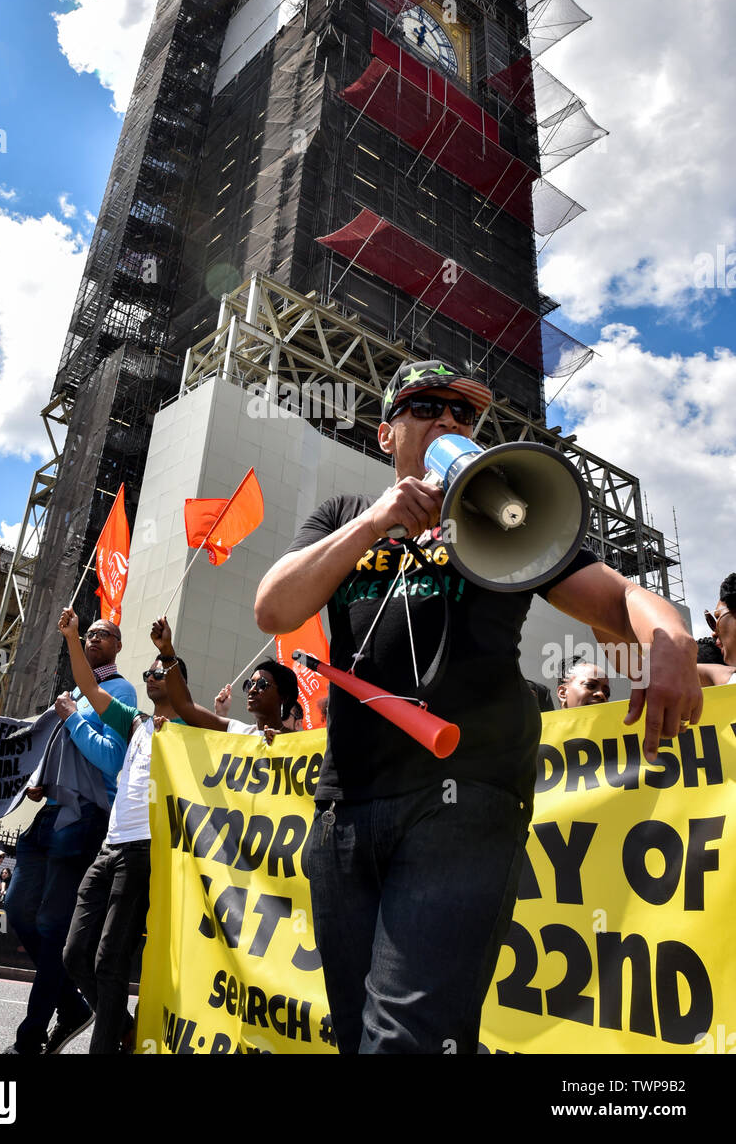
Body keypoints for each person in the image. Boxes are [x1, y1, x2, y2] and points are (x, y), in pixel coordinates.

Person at [255, 357, 703, 1054]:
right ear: (384, 434)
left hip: (463, 806)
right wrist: (375, 522)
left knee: (404, 1041)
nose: (449, 422)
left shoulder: (504, 513)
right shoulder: (342, 517)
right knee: (356, 1037)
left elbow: (618, 597)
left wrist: (667, 634)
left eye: (464, 415)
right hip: (346, 809)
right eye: (427, 407)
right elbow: (273, 608)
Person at [3, 616, 136, 1056]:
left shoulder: (120, 692)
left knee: (54, 927)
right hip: (49, 814)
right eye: (89, 634)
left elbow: (111, 758)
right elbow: (59, 749)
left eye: (101, 635)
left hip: (84, 820)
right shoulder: (76, 692)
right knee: (18, 909)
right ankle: (73, 1004)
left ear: (117, 645)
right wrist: (39, 779)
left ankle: (29, 1038)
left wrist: (74, 717)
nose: (92, 639)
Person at [59, 609, 185, 1053]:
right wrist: (74, 638)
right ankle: (125, 1031)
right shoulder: (134, 722)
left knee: (109, 961)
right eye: (149, 672)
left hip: (144, 854)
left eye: (161, 672)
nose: (151, 677)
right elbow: (89, 689)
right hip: (108, 849)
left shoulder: (191, 732)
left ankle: (105, 1047)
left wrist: (166, 651)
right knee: (75, 956)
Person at [160, 626, 297, 737]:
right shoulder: (236, 731)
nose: (252, 689)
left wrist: (284, 744)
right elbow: (185, 706)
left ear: (283, 697)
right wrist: (166, 651)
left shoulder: (297, 742)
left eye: (262, 684)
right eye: (249, 684)